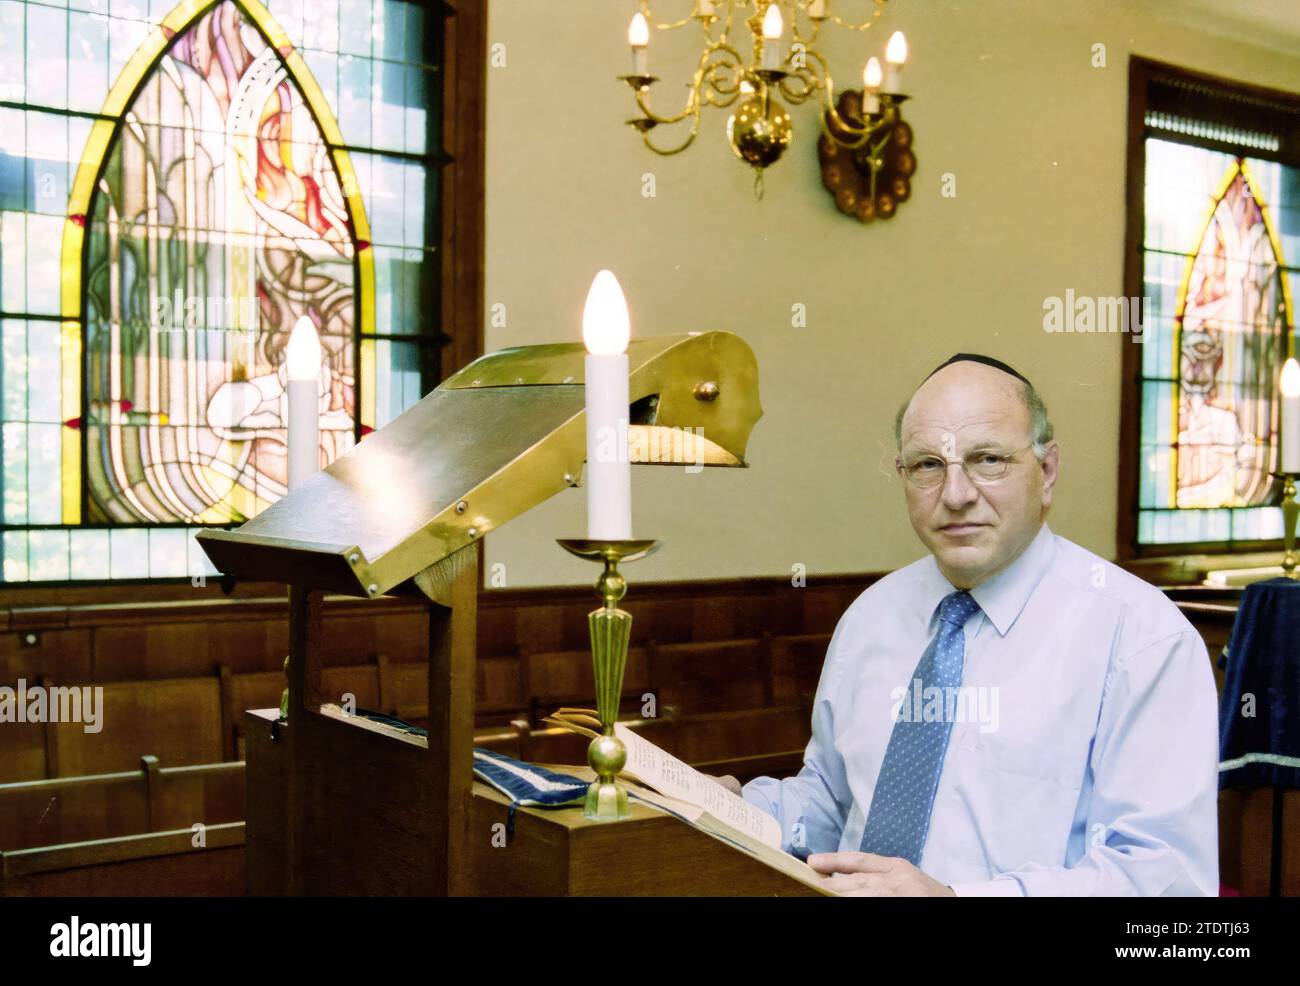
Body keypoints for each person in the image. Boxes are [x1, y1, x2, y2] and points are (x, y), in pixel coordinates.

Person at [731, 353, 1219, 896]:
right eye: (927, 466)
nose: (956, 495)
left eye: (988, 460)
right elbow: (832, 802)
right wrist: (737, 809)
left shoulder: (1141, 637)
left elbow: (1166, 879)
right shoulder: (871, 617)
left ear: (1047, 470)